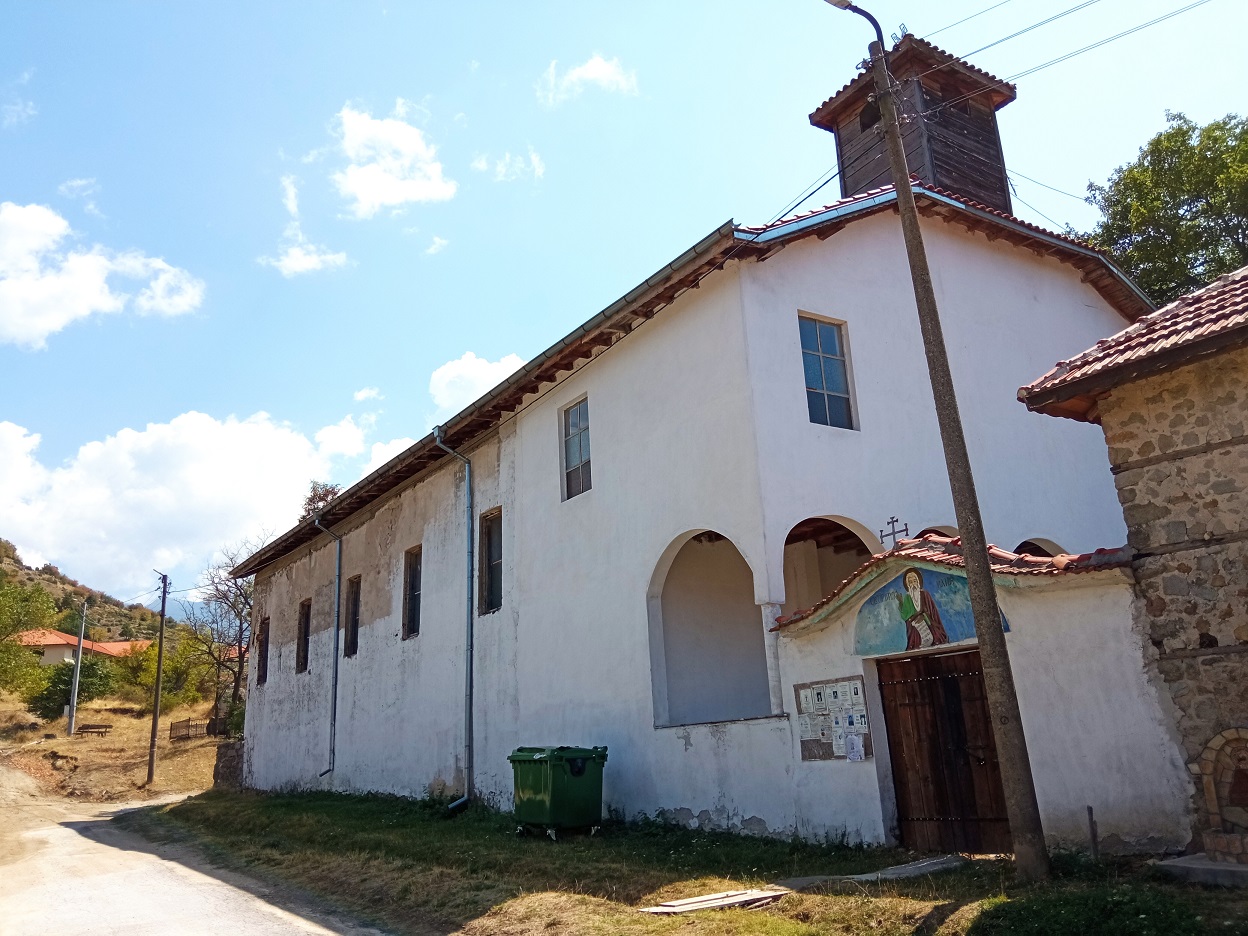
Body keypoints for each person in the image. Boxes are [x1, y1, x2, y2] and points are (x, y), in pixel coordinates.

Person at [895, 568, 949, 650]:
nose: (913, 584)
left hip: (928, 624)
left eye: (914, 581)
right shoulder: (907, 597)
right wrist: (901, 603)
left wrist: (924, 616)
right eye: (910, 581)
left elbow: (932, 611)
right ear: (907, 584)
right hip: (916, 628)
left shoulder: (925, 594)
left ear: (918, 581)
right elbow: (905, 615)